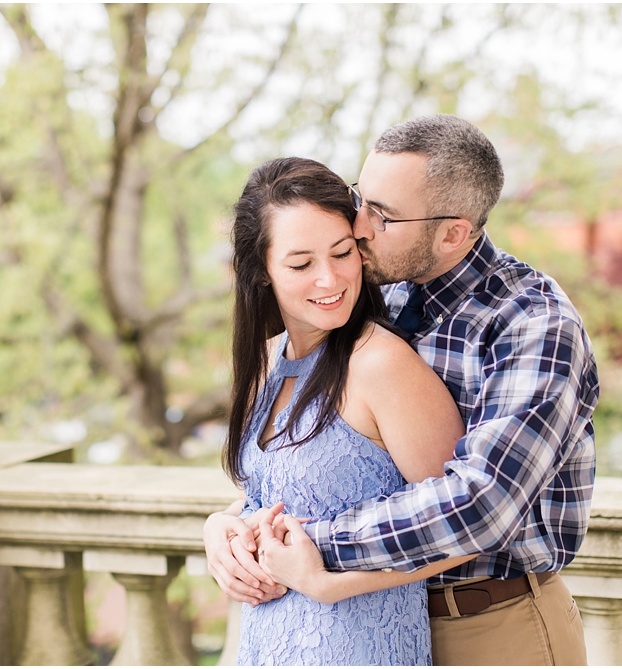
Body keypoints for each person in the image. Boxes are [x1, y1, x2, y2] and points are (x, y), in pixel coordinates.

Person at [206, 115, 599, 666]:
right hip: (363, 620)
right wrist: (228, 525)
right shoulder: (377, 302)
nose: (359, 225)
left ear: (453, 233)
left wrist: (312, 549)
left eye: (383, 215)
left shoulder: (532, 322)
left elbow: (483, 504)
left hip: (489, 623)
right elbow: (331, 471)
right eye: (361, 198)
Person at [219, 156, 477, 665]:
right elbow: (272, 497)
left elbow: (466, 530)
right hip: (267, 646)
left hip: (359, 646)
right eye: (300, 264)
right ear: (262, 272)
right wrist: (219, 529)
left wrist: (331, 585)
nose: (329, 278)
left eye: (342, 253)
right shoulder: (265, 363)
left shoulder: (381, 364)